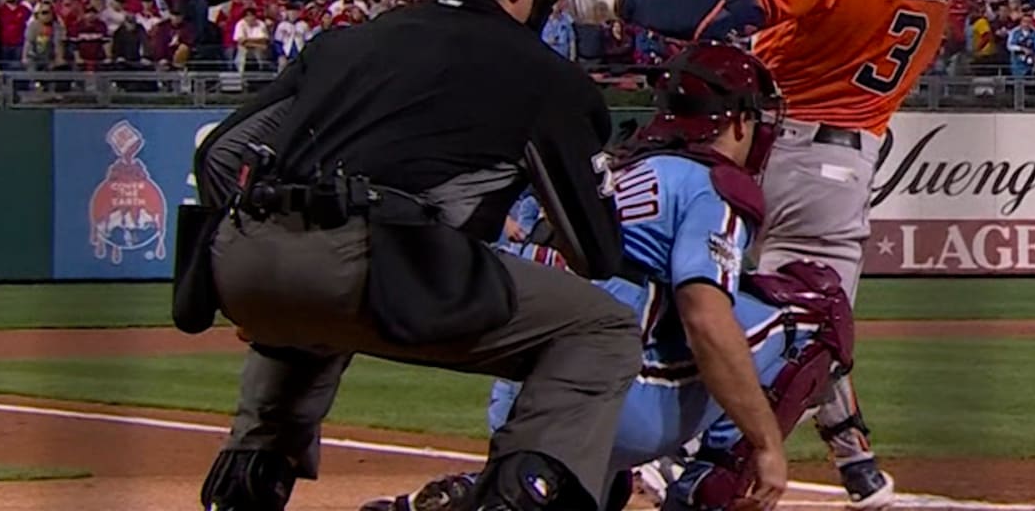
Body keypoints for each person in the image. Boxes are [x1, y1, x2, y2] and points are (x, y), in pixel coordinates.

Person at [180, 0, 641, 511]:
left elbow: (220, 153)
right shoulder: (546, 76)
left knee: (310, 321)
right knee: (603, 328)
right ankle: (515, 500)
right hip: (381, 264)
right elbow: (593, 253)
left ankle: (245, 484)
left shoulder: (343, 43)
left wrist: (262, 249)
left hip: (240, 262)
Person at [563, 0, 959, 508]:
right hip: (830, 159)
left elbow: (741, 7)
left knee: (789, 326)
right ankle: (742, 463)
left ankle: (838, 461)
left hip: (774, 140)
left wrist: (623, 0)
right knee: (811, 327)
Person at [364, 43, 855, 511]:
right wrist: (766, 441)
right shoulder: (711, 184)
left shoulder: (612, 169)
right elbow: (705, 318)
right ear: (740, 120)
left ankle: (497, 492)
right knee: (816, 308)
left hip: (521, 399)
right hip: (616, 403)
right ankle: (709, 491)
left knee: (594, 493)